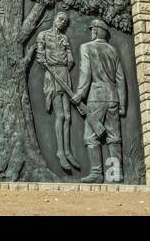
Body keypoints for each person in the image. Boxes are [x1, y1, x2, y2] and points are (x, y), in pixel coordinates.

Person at [71, 19, 128, 183]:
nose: (90, 32)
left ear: (96, 31)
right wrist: (122, 103)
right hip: (113, 97)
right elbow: (120, 79)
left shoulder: (86, 47)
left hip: (96, 97)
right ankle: (115, 174)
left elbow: (85, 73)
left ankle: (97, 173)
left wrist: (80, 94)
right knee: (113, 137)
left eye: (92, 30)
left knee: (91, 136)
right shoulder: (112, 50)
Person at [35, 11, 79, 172]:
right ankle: (60, 152)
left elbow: (70, 59)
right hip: (51, 75)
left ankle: (68, 151)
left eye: (65, 22)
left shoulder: (64, 38)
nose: (62, 23)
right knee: (60, 115)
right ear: (54, 19)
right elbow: (40, 57)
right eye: (60, 19)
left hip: (64, 74)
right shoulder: (43, 35)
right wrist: (49, 62)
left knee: (68, 116)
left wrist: (63, 64)